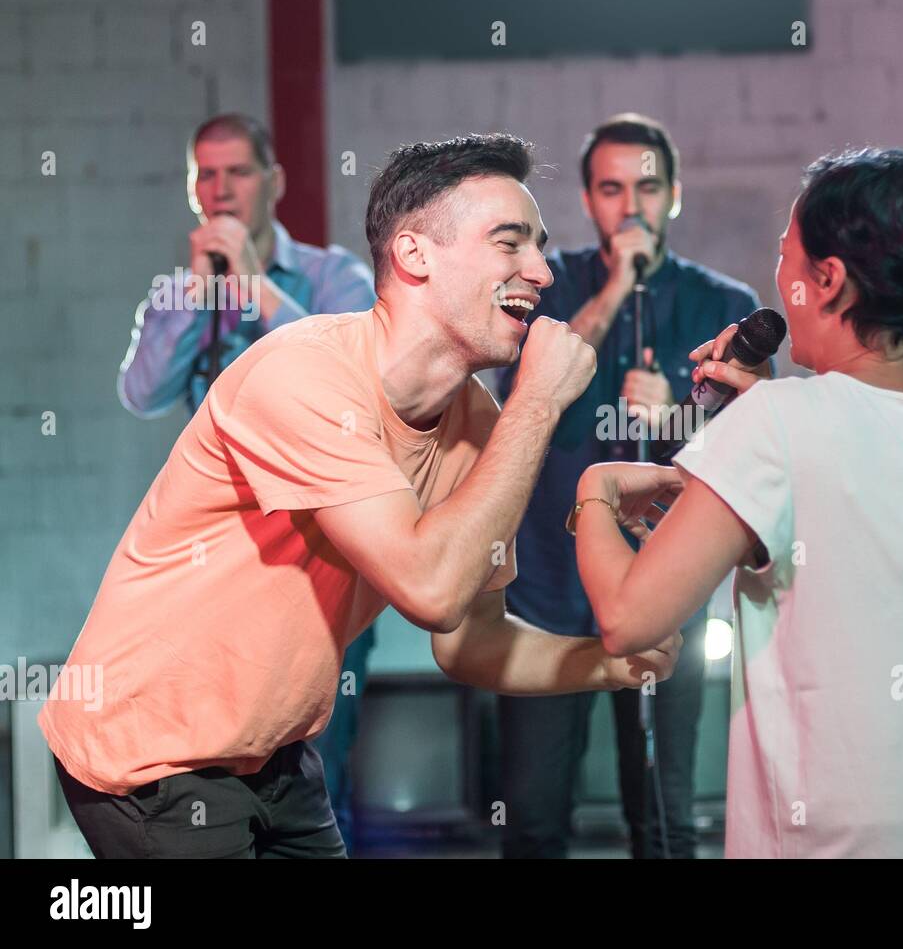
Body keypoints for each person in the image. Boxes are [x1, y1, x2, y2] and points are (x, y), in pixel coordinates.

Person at [41, 134, 678, 859]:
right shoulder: (303, 374)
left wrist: (608, 662)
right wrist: (537, 403)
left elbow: (469, 637)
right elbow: (430, 589)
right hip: (153, 754)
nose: (538, 271)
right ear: (414, 255)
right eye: (510, 244)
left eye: (539, 246)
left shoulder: (476, 423)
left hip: (275, 754)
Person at [571, 147, 903, 858]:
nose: (780, 274)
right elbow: (849, 470)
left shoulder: (774, 426)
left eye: (786, 254)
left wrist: (593, 490)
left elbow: (626, 618)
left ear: (827, 279)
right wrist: (756, 423)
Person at [496, 114, 758, 859]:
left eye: (647, 186)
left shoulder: (719, 301)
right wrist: (614, 288)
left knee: (663, 815)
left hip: (664, 587)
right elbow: (519, 394)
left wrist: (675, 411)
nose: (631, 205)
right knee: (536, 815)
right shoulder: (546, 287)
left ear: (674, 194)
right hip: (545, 592)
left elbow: (745, 456)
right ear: (588, 200)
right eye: (612, 188)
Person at [116, 112, 380, 852]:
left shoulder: (333, 275)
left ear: (274, 183)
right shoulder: (187, 287)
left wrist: (257, 289)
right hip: (216, 565)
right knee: (221, 757)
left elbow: (349, 378)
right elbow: (140, 392)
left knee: (318, 763)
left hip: (318, 556)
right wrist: (194, 292)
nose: (220, 189)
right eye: (205, 174)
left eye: (237, 172)